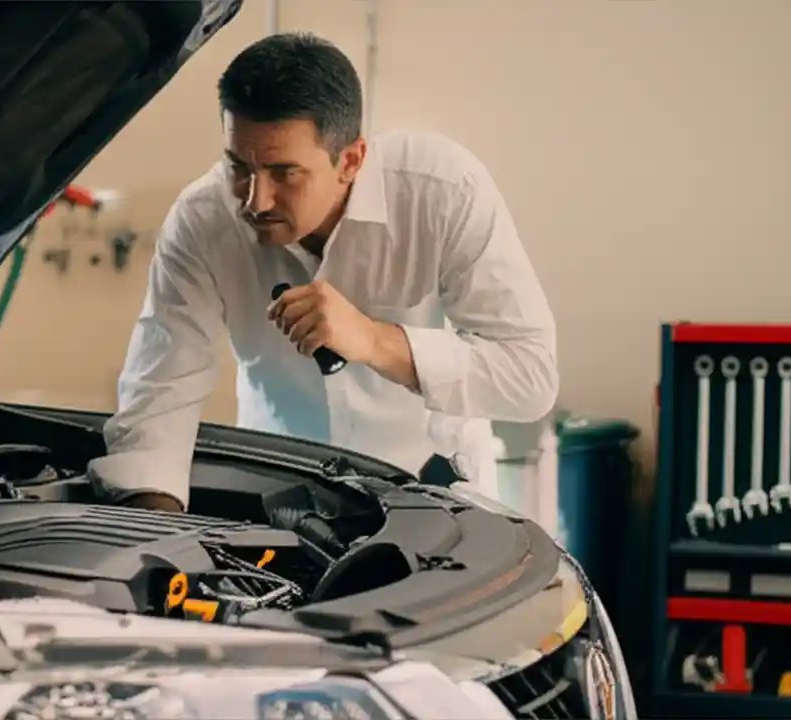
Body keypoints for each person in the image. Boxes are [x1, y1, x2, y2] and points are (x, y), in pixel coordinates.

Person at [87, 32, 557, 513]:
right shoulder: (202, 221)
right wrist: (157, 533)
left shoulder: (444, 191)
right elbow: (159, 398)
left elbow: (530, 377)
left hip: (437, 497)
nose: (255, 201)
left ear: (350, 161)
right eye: (238, 167)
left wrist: (375, 341)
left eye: (284, 173)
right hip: (281, 495)